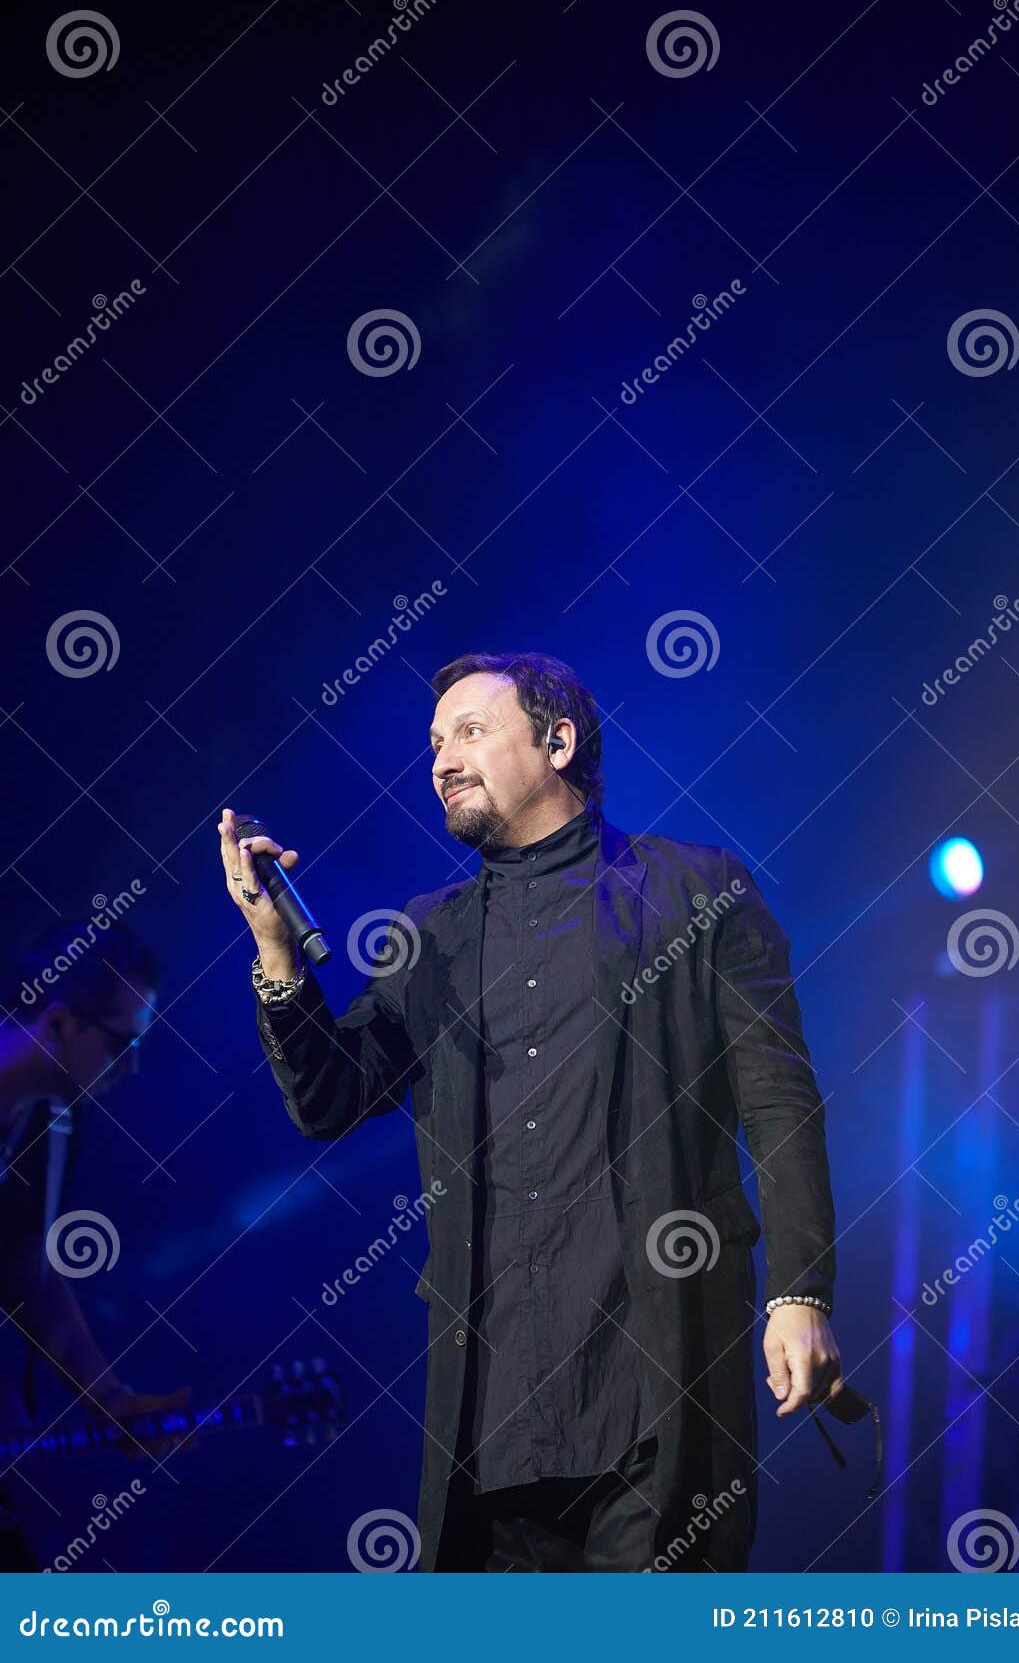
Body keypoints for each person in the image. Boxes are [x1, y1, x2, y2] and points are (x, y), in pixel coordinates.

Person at [221, 651, 841, 1571]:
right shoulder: (431, 933)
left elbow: (780, 1105)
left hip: (655, 1376)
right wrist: (278, 952)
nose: (440, 759)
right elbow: (329, 1098)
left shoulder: (692, 892)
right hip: (494, 1405)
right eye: (433, 743)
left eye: (469, 731)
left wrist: (799, 1293)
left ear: (557, 743)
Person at [0, 921, 189, 1571]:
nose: (132, 1066)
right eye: (120, 1043)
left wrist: (108, 1399)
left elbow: (30, 1273)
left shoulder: (50, 1123)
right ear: (59, 1026)